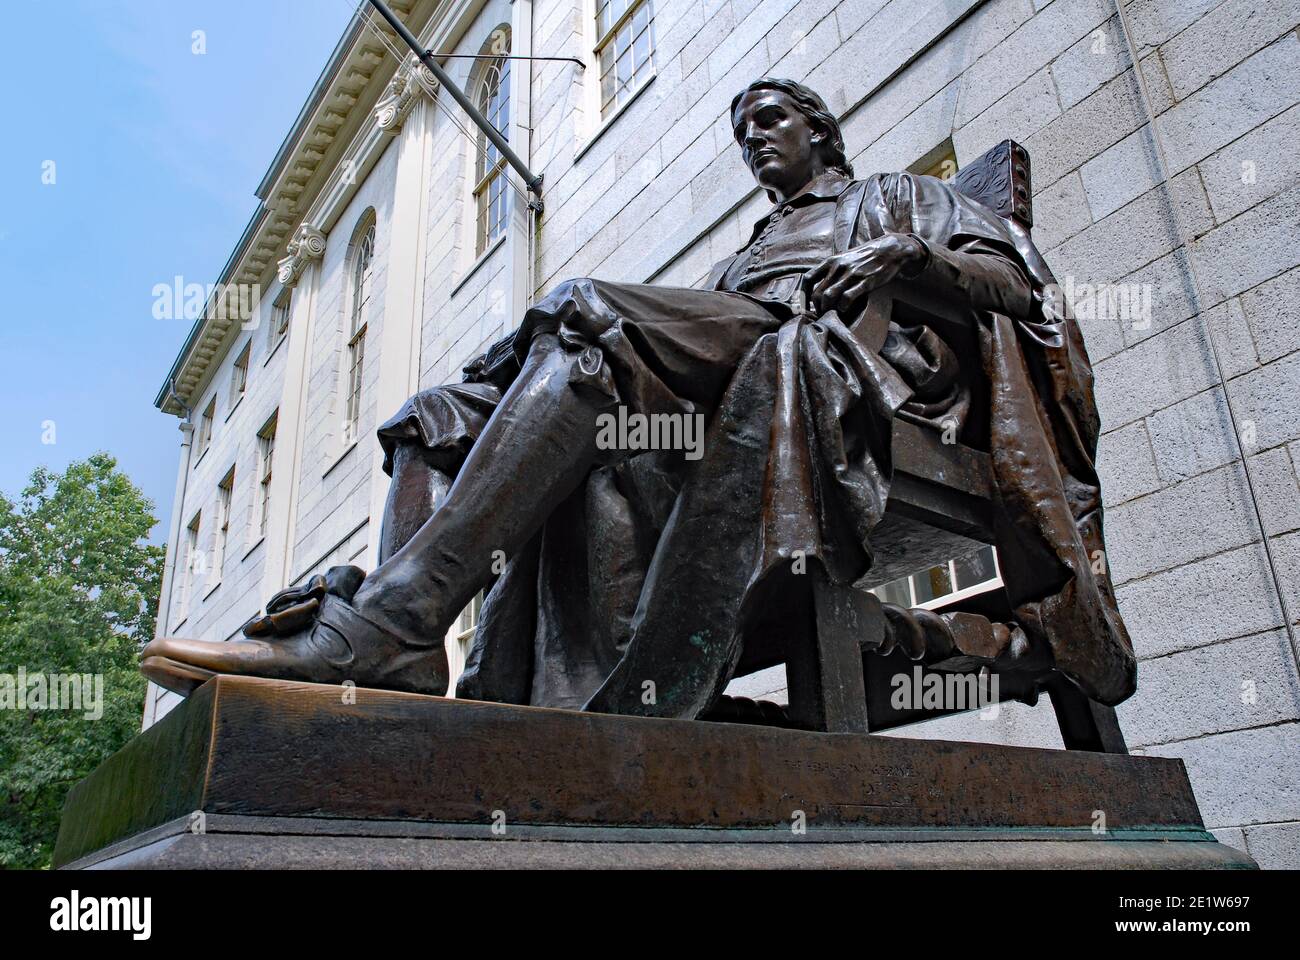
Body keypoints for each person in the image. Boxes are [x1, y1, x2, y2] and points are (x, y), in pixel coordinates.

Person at [143, 78, 1136, 717]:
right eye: (743, 132)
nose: (755, 141)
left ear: (822, 130)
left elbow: (1023, 294)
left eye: (770, 121)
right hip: (737, 390)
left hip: (846, 382)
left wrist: (908, 254)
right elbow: (690, 353)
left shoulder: (892, 198)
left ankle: (390, 623)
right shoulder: (740, 258)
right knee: (441, 414)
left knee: (584, 315)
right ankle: (406, 653)